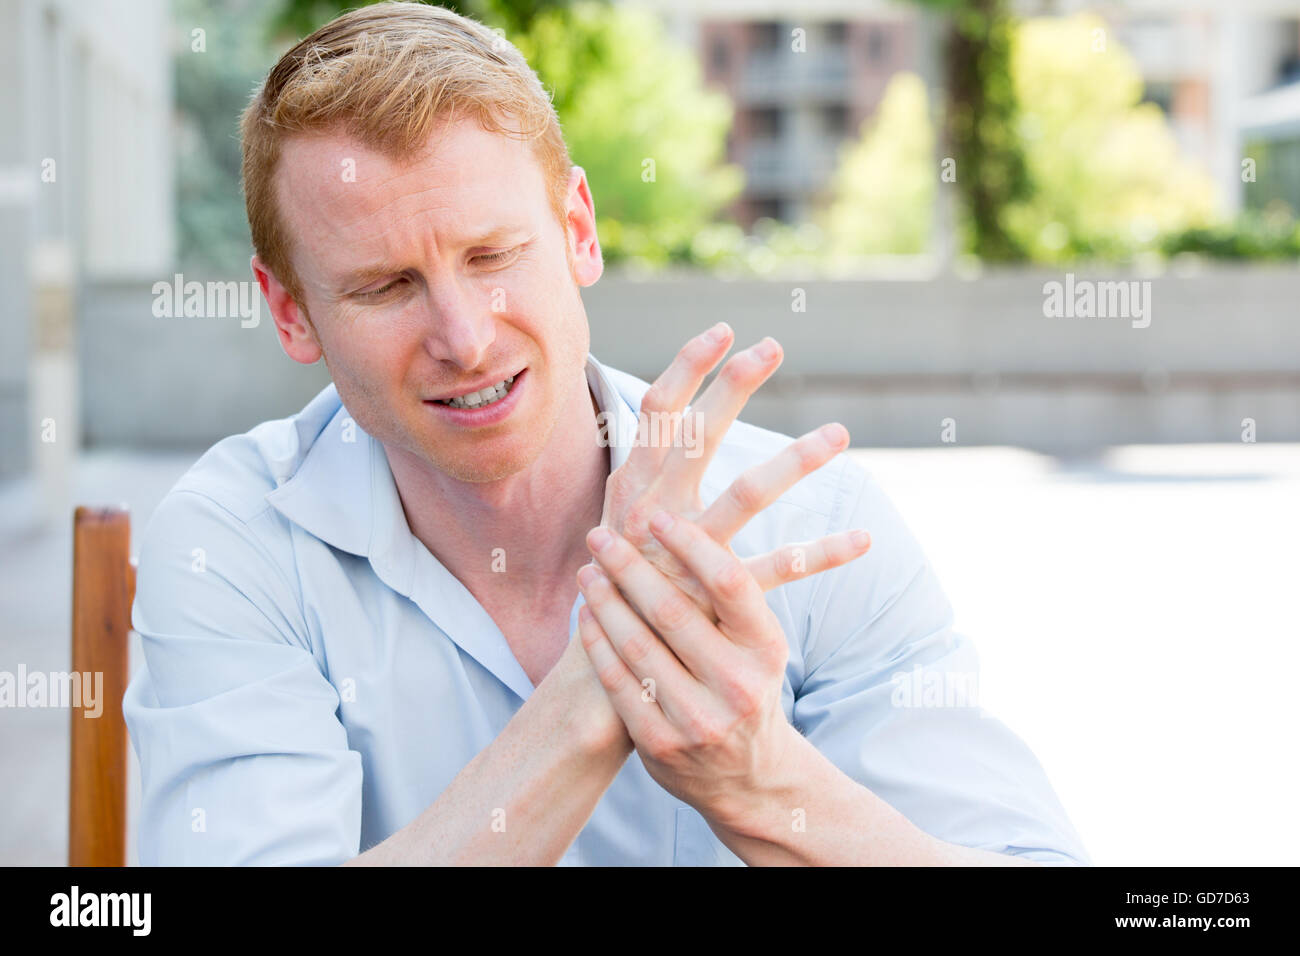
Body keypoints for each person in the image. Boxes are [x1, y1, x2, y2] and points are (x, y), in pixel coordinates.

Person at [122, 1, 1090, 866]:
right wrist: (599, 688)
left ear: (579, 229)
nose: (463, 337)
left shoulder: (808, 515)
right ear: (290, 313)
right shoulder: (234, 546)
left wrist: (761, 783)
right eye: (385, 287)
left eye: (493, 254)